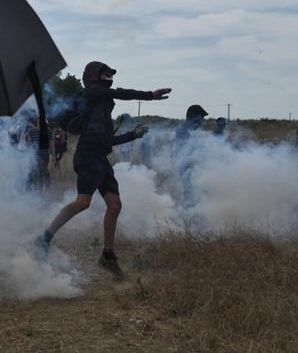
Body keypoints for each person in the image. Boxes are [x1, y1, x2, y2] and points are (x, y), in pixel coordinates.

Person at [36, 61, 169, 277]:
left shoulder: (101, 115)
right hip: (87, 155)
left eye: (110, 74)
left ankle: (107, 256)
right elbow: (121, 93)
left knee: (115, 205)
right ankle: (44, 238)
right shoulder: (91, 93)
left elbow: (109, 141)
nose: (109, 77)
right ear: (93, 76)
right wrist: (149, 95)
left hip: (100, 158)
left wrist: (133, 135)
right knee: (83, 202)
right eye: (106, 73)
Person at [176, 105, 208, 208]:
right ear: (193, 116)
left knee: (194, 191)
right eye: (200, 118)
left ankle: (189, 212)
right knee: (189, 191)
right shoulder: (183, 130)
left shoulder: (192, 130)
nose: (202, 121)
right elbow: (183, 150)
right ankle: (185, 214)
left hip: (193, 166)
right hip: (186, 166)